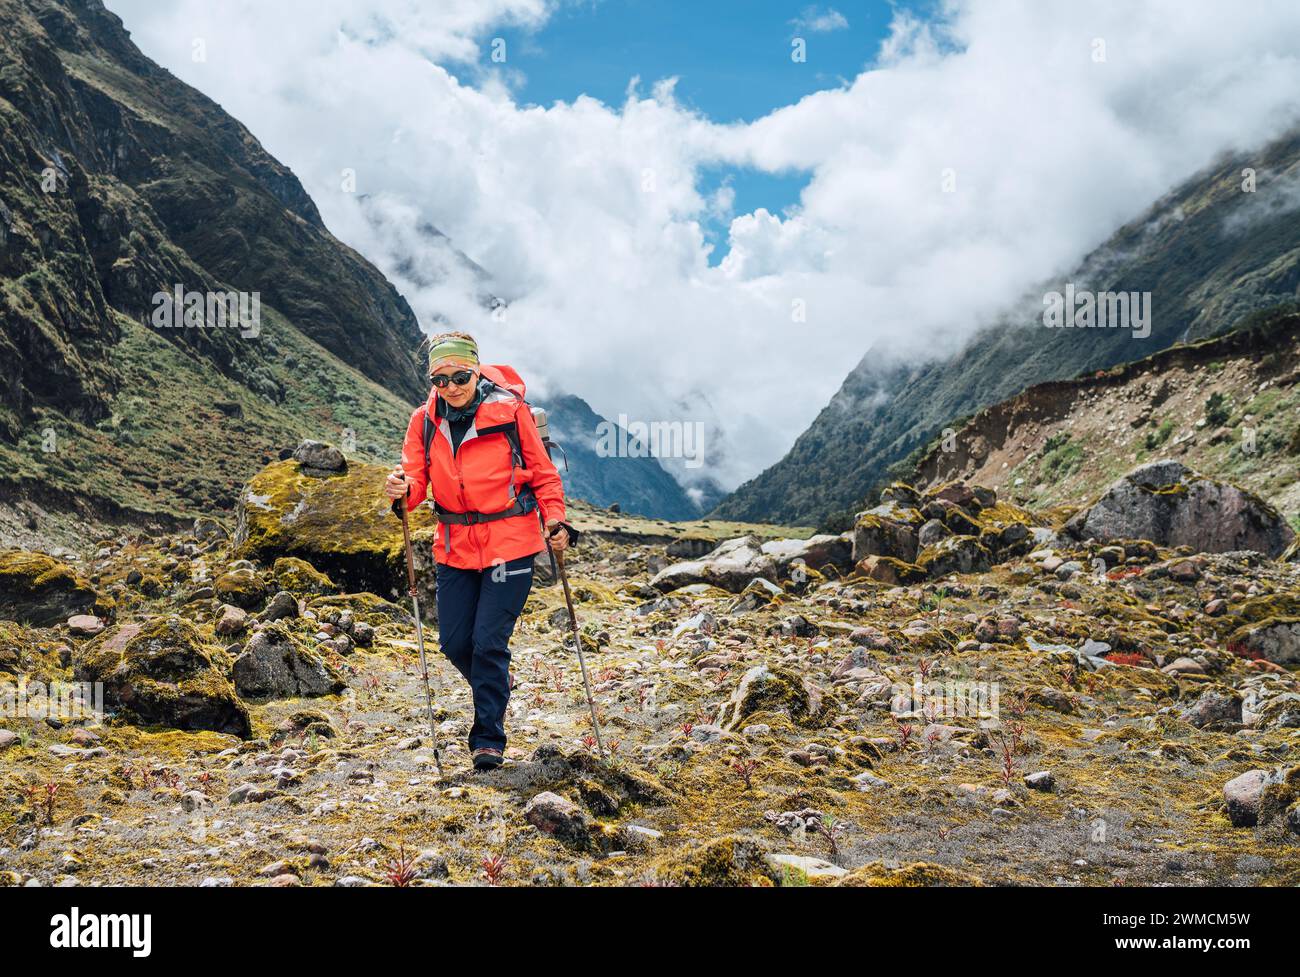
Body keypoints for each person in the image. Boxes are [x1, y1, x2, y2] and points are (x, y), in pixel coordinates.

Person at [384, 331, 577, 771]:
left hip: (510, 543)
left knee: (488, 642)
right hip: (454, 548)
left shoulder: (511, 412)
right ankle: (497, 683)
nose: (451, 386)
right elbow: (415, 485)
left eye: (460, 375)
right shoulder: (424, 420)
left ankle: (488, 738)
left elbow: (544, 475)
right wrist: (402, 489)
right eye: (441, 379)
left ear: (475, 369)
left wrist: (555, 519)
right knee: (454, 643)